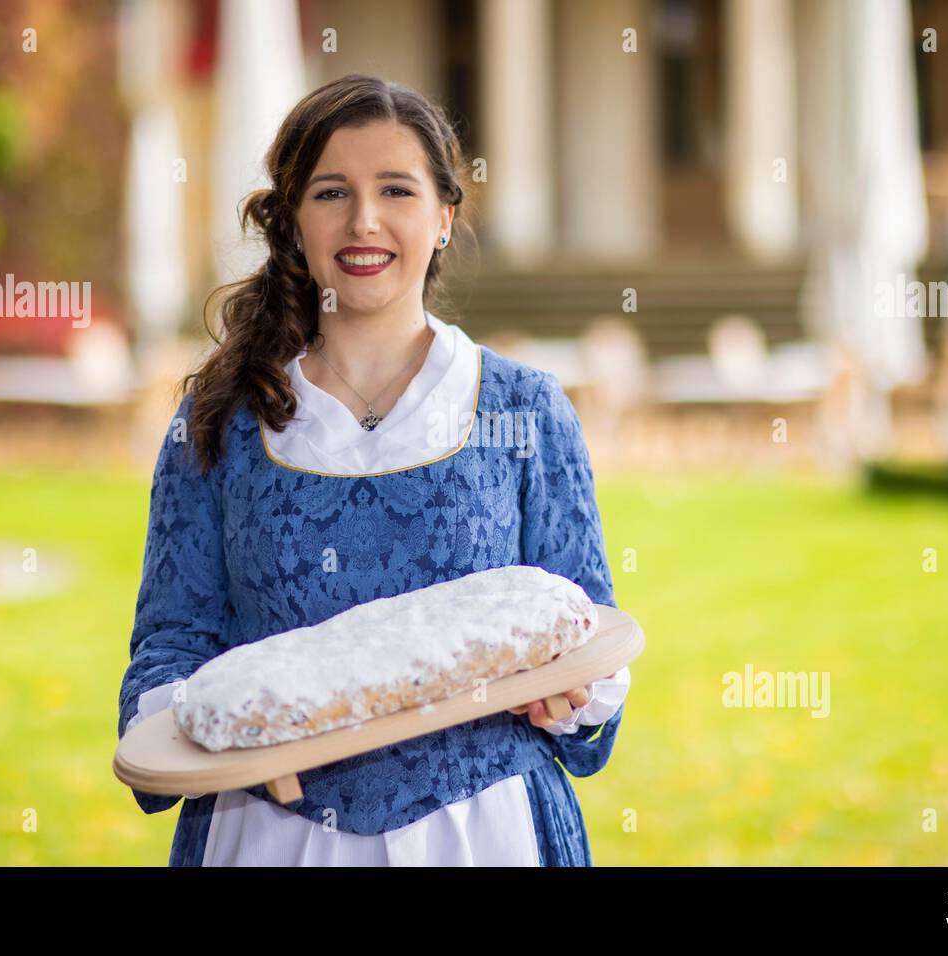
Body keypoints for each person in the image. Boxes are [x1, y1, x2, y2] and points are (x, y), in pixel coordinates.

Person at [117, 74, 629, 866]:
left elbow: (587, 633)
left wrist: (577, 694)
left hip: (482, 833)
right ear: (291, 222)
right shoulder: (220, 419)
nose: (364, 221)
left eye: (397, 189)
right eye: (331, 193)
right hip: (271, 839)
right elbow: (171, 643)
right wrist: (211, 737)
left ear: (445, 217)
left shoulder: (524, 410)